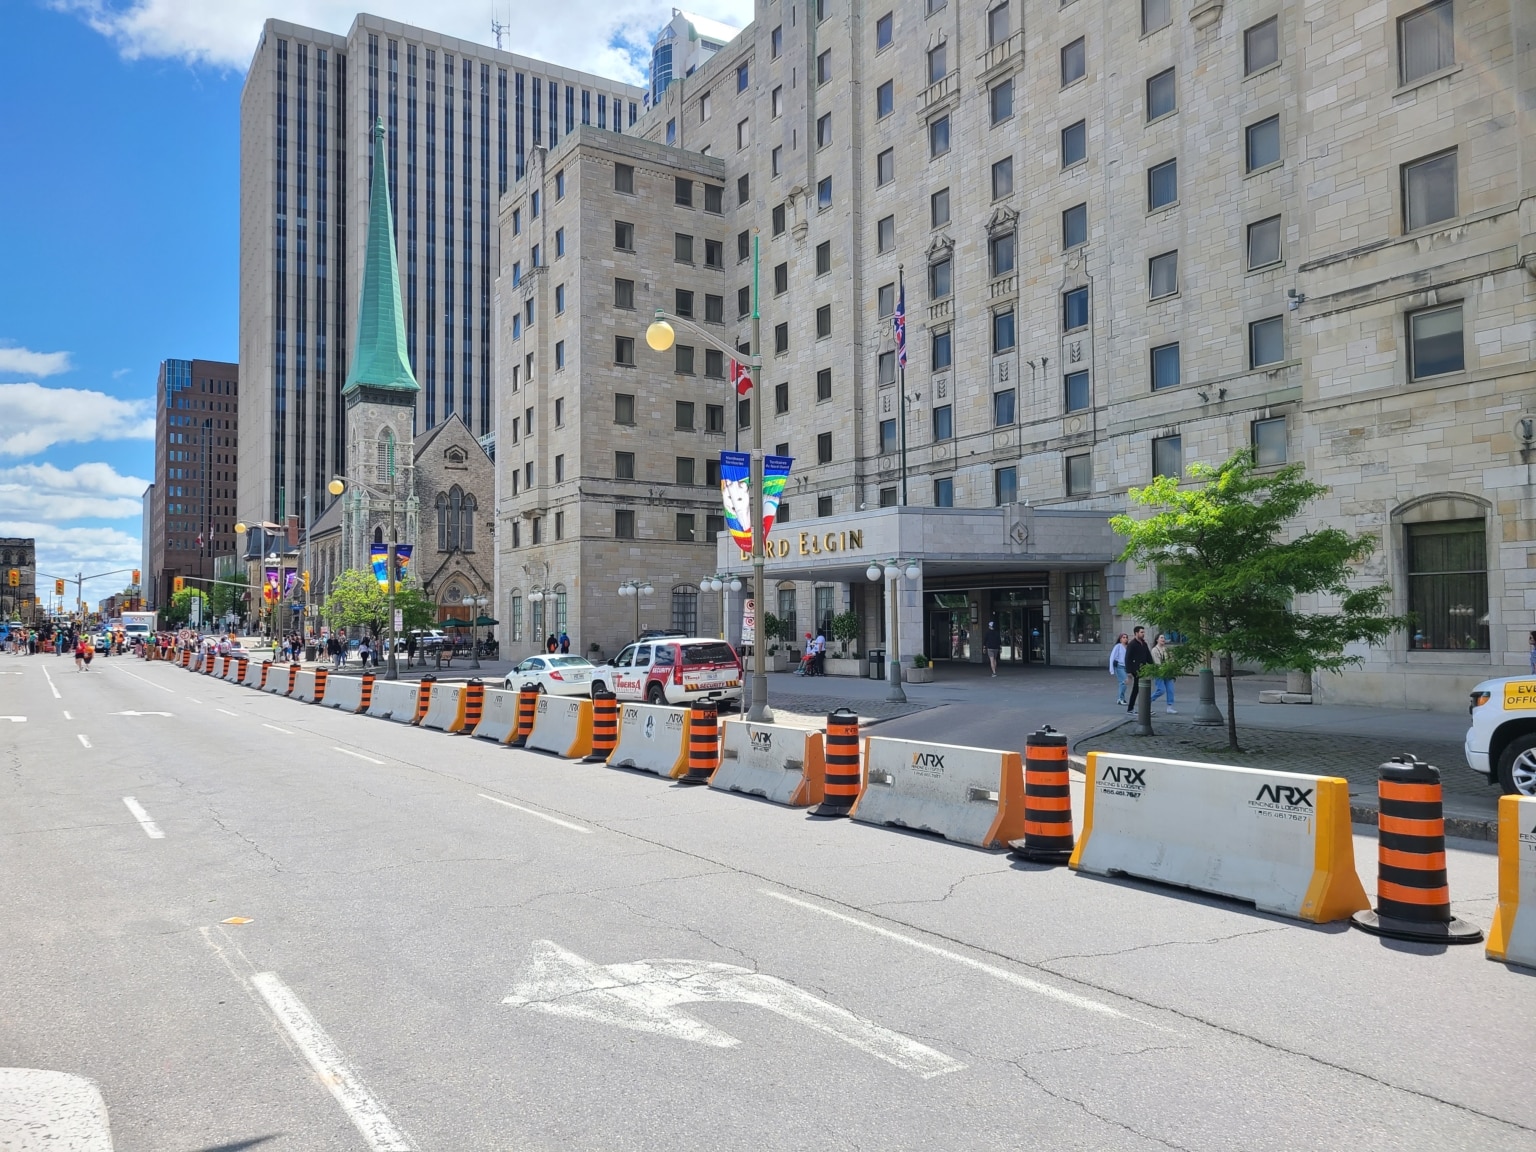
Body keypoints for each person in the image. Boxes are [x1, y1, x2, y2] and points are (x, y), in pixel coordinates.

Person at [1124, 626, 1153, 714]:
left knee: (1141, 689)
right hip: (1135, 669)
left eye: (1143, 632)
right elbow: (1127, 658)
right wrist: (1129, 671)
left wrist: (1153, 666)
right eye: (1141, 632)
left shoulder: (1144, 644)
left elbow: (1148, 656)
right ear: (1136, 633)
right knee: (1138, 689)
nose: (1143, 634)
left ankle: (1143, 709)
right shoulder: (1132, 644)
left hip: (1143, 669)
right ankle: (1131, 709)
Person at [1148, 633, 1177, 714]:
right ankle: (1148, 701)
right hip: (1159, 672)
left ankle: (1169, 707)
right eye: (1161, 637)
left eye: (1164, 638)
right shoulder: (1154, 650)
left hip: (1167, 672)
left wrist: (1171, 668)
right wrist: (1162, 670)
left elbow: (1171, 660)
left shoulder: (1166, 649)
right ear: (1157, 639)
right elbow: (1157, 663)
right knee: (1161, 690)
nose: (1163, 639)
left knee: (1170, 689)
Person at [1109, 633, 1129, 705]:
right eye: (1123, 637)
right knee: (1124, 681)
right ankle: (1120, 698)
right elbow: (1112, 657)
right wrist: (1111, 669)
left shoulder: (1127, 647)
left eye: (1126, 637)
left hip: (1125, 667)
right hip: (1119, 666)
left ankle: (1122, 698)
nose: (1125, 639)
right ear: (1120, 639)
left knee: (1124, 683)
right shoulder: (1118, 646)